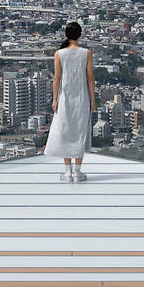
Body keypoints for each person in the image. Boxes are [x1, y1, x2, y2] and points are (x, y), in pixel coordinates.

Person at [44, 20, 94, 181]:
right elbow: (90, 78)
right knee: (79, 133)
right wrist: (93, 100)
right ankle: (78, 172)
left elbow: (56, 78)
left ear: (66, 34)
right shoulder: (87, 53)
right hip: (82, 98)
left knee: (65, 132)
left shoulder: (59, 54)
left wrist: (54, 99)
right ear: (80, 34)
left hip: (64, 98)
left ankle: (67, 172)